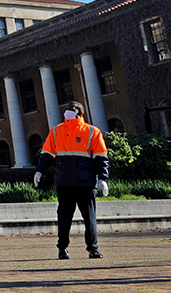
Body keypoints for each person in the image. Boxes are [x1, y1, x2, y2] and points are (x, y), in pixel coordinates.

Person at [34, 100, 109, 260]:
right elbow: (47, 154)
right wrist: (39, 170)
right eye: (67, 109)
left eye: (71, 110)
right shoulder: (56, 131)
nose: (67, 112)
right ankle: (62, 249)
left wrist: (103, 178)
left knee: (89, 218)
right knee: (64, 218)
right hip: (64, 182)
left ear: (80, 113)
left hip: (86, 183)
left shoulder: (92, 132)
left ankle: (93, 248)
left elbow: (101, 158)